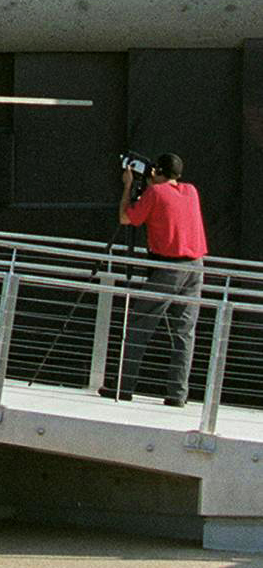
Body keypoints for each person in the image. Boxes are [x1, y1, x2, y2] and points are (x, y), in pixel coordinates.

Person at [105, 154, 209, 406]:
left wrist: (129, 186)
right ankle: (177, 395)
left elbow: (126, 218)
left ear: (155, 172)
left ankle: (123, 387)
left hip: (168, 268)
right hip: (195, 267)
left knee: (140, 326)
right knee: (184, 333)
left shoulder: (155, 194)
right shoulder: (191, 191)